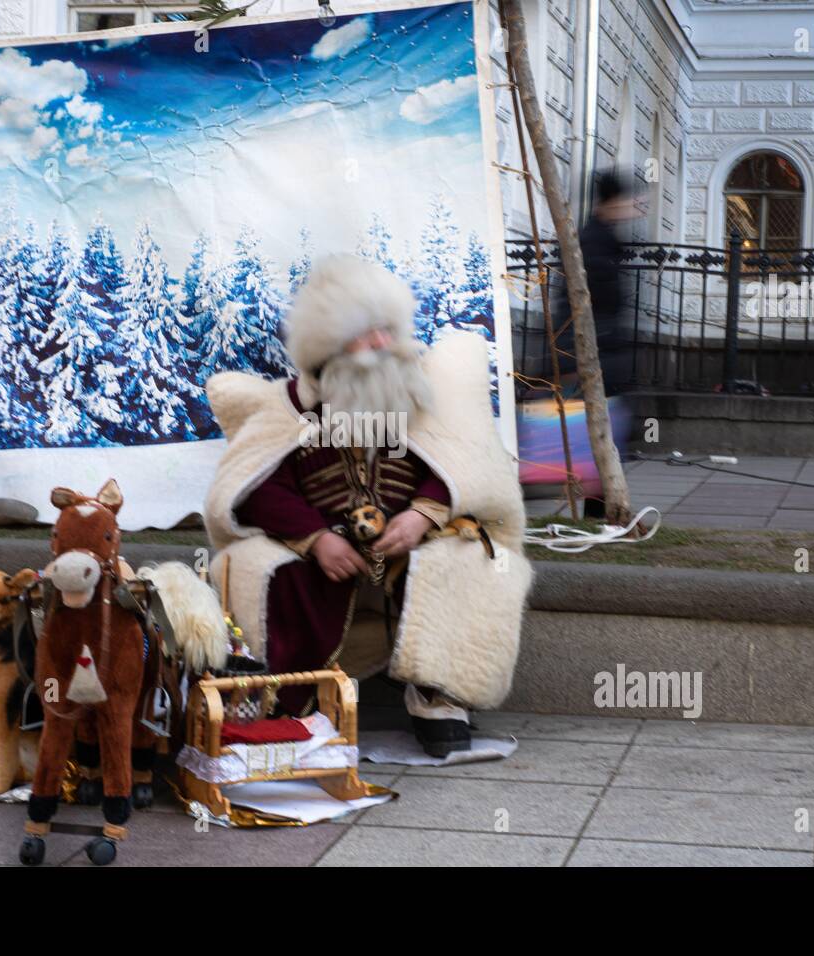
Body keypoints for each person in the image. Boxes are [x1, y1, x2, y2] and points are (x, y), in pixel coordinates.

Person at [203, 256, 532, 757]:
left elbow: (471, 461)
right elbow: (255, 485)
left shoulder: (426, 393)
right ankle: (293, 700)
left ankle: (439, 700)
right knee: (262, 569)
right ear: (328, 343)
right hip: (323, 558)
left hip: (418, 545)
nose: (382, 344)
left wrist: (426, 511)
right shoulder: (286, 405)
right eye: (365, 333)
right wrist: (318, 538)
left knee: (469, 560)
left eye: (386, 329)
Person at [552, 168, 642, 395]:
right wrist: (572, 363)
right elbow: (572, 303)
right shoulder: (593, 242)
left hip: (599, 357)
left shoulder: (604, 240)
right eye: (630, 201)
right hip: (590, 359)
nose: (636, 208)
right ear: (613, 202)